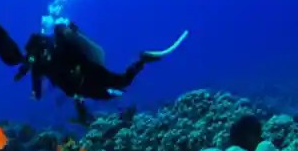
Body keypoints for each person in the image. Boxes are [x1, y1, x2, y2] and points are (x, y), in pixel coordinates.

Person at [15, 21, 189, 110]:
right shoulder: (40, 62)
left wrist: (36, 93)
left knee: (117, 86)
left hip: (86, 76)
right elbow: (36, 82)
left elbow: (37, 83)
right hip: (82, 82)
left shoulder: (47, 57)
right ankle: (141, 62)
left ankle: (142, 61)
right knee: (118, 86)